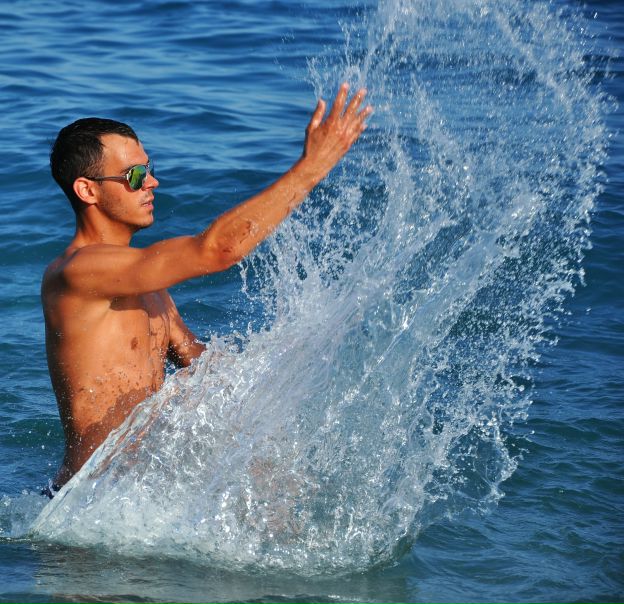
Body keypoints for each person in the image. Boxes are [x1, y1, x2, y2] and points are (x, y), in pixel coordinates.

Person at [41, 83, 372, 497]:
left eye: (149, 168)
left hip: (135, 499)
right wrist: (312, 168)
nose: (152, 182)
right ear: (87, 189)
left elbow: (202, 368)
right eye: (135, 176)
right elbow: (217, 250)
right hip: (83, 502)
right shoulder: (76, 272)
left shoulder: (146, 285)